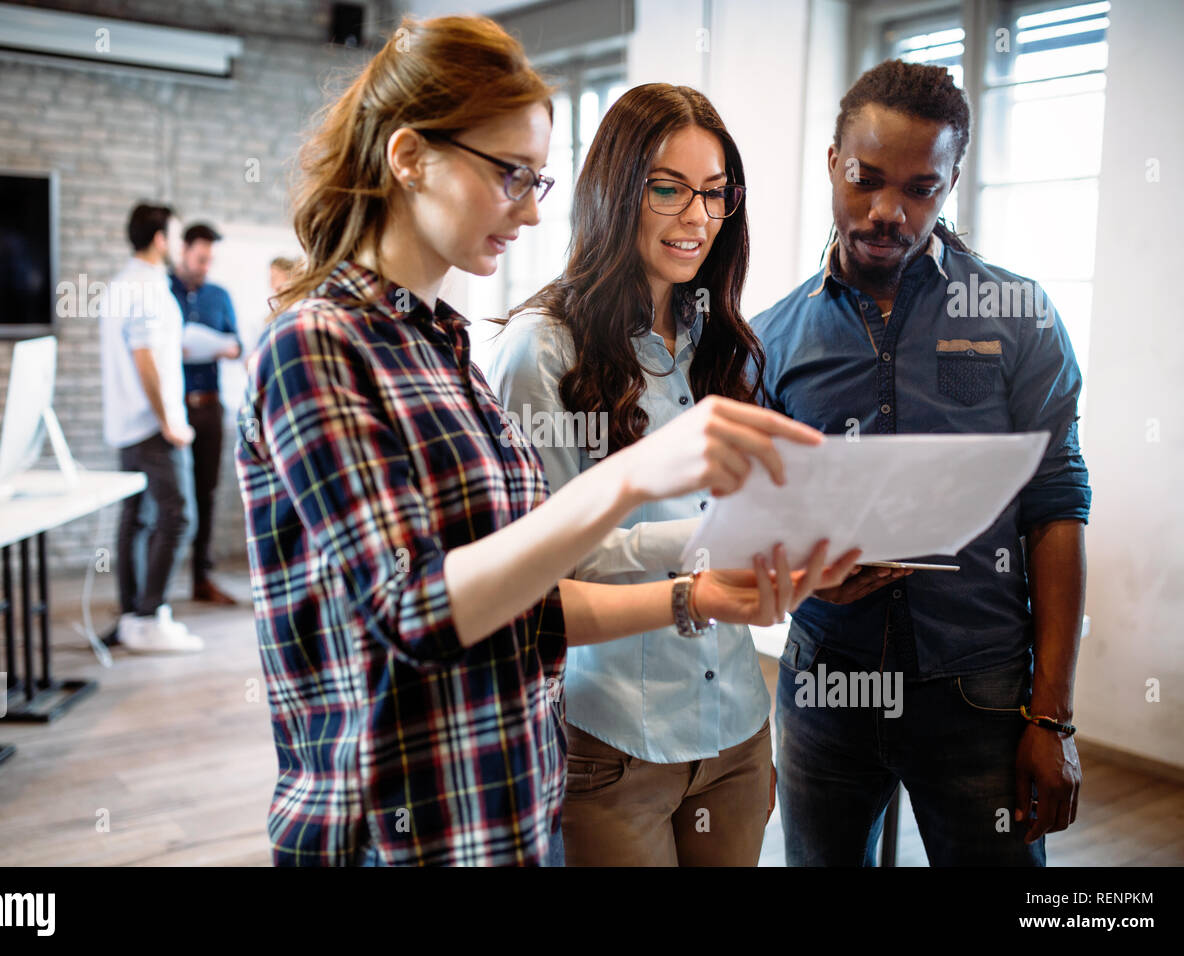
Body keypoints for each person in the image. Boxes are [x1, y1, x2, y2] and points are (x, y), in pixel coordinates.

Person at [234, 15, 859, 867]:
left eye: (539, 178)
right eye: (510, 175)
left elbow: (529, 606)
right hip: (398, 826)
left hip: (504, 808)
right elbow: (414, 612)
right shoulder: (317, 345)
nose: (532, 209)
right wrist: (635, 482)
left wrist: (706, 593)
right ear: (410, 156)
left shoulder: (443, 347)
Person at [751, 59, 1090, 866]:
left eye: (920, 189)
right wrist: (802, 574)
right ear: (832, 162)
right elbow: (754, 519)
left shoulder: (1018, 318)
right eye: (866, 179)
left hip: (981, 695)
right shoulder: (768, 341)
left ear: (953, 182)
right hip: (824, 691)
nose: (887, 212)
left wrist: (1052, 719)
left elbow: (1057, 508)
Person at [484, 84, 779, 866]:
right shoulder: (540, 349)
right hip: (612, 738)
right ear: (616, 191)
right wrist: (716, 548)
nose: (697, 219)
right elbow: (551, 564)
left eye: (716, 194)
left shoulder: (719, 337)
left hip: (738, 726)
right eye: (669, 189)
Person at [100, 202, 204, 653]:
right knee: (179, 516)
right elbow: (146, 360)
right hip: (152, 427)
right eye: (176, 237)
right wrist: (170, 422)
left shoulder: (120, 286)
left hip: (126, 425)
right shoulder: (148, 290)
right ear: (161, 239)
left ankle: (132, 617)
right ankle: (149, 615)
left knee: (137, 520)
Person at [171, 222, 242, 606]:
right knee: (166, 499)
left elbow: (236, 345)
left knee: (206, 493)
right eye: (200, 258)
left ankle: (202, 579)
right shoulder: (163, 292)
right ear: (184, 251)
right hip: (174, 409)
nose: (204, 266)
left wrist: (213, 346)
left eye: (209, 260)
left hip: (210, 407)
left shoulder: (219, 295)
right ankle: (154, 592)